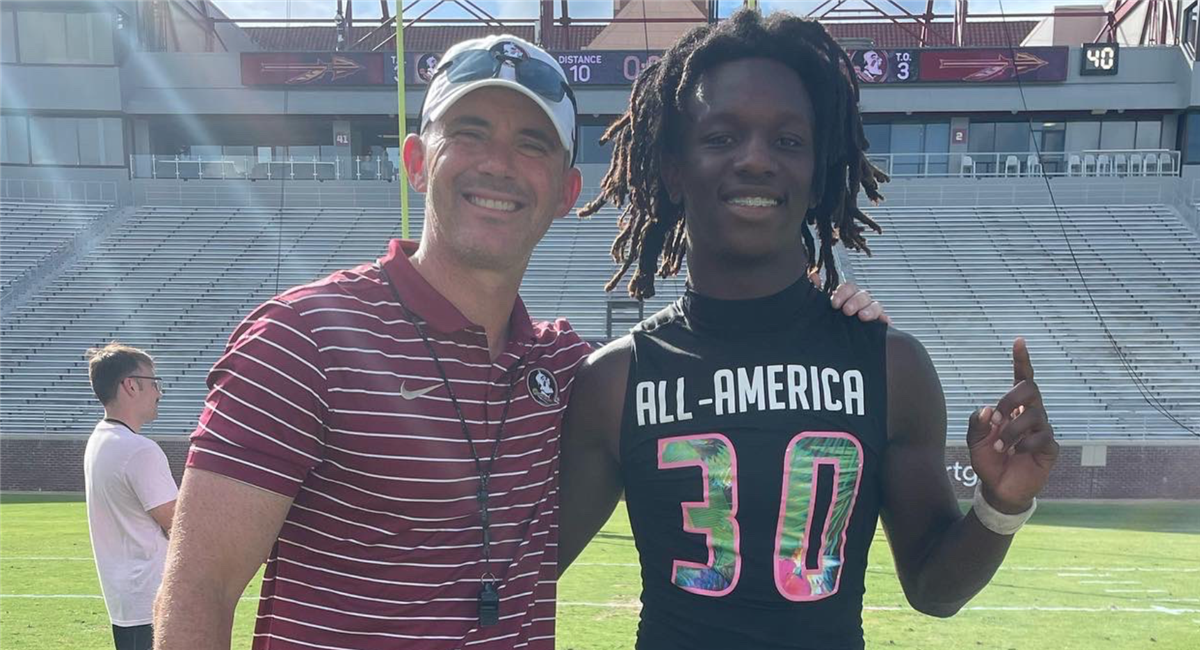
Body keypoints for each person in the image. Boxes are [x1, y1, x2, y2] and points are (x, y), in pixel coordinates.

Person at [153, 33, 886, 650]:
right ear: (416, 160)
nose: (499, 163)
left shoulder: (567, 370)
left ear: (568, 192)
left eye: (532, 143)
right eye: (469, 132)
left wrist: (828, 320)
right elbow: (198, 589)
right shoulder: (303, 337)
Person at [558, 10, 1059, 650]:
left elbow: (934, 592)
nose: (757, 161)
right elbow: (520, 573)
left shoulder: (889, 366)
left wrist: (1003, 505)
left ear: (819, 172)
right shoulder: (615, 379)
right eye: (721, 137)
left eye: (788, 141)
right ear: (675, 170)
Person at [84, 343, 177, 650]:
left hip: (126, 599)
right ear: (131, 385)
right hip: (150, 596)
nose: (160, 393)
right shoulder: (139, 450)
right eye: (154, 383)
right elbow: (178, 525)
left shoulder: (100, 438)